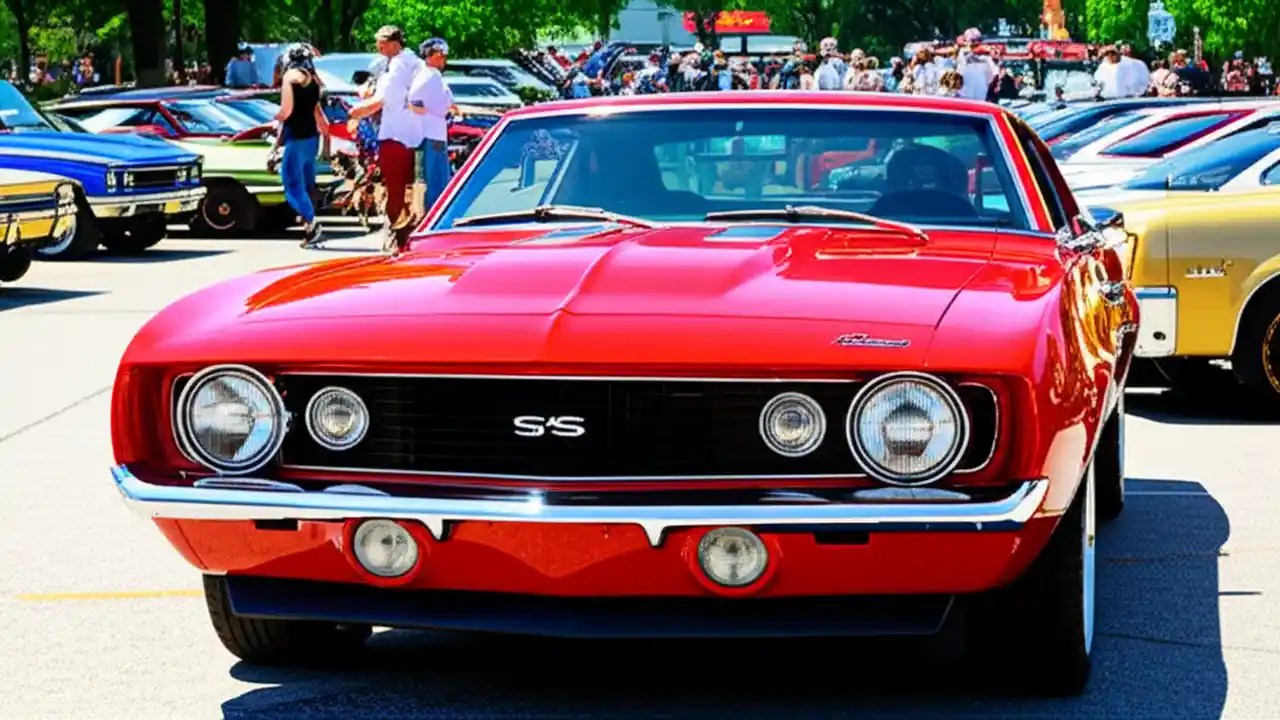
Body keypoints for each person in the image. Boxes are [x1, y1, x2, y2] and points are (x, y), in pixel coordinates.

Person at [347, 25, 425, 248]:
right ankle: (410, 232)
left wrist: (355, 112)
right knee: (413, 187)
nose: (378, 48)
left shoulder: (397, 69)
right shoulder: (417, 64)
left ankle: (398, 237)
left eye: (382, 43)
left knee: (396, 189)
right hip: (417, 134)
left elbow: (380, 101)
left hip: (396, 135)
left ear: (394, 44)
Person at [273, 44, 330, 248]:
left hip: (295, 138)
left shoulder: (290, 77)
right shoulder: (314, 80)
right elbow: (320, 117)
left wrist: (270, 119)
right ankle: (308, 229)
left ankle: (313, 225)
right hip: (311, 139)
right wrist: (327, 144)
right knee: (305, 186)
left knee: (292, 186)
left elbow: (286, 112)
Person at [411, 37, 455, 214]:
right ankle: (435, 215)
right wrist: (442, 110)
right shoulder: (431, 75)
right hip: (433, 135)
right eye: (442, 55)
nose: (444, 59)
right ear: (434, 55)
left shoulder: (426, 74)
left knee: (429, 179)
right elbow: (415, 98)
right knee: (437, 182)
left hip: (430, 134)